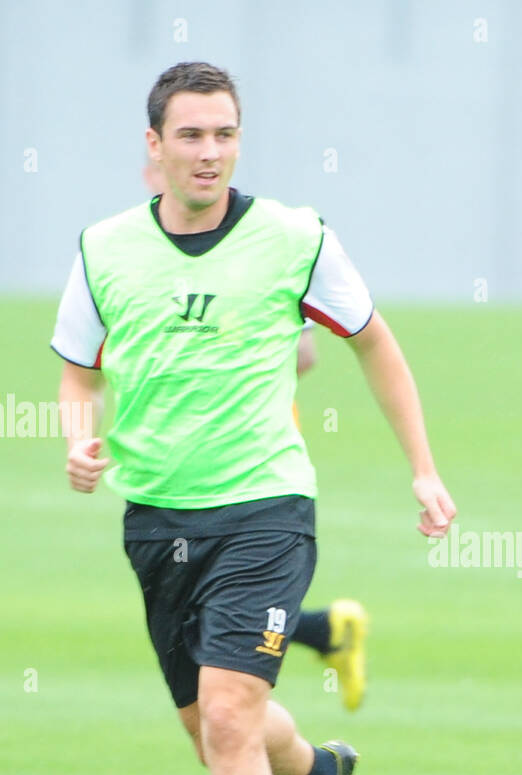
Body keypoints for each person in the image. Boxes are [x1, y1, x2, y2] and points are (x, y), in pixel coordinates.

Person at [51, 61, 456, 775]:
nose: (210, 152)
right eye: (190, 135)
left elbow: (372, 342)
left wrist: (423, 469)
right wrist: (80, 442)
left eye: (225, 134)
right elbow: (78, 369)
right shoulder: (103, 248)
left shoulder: (295, 236)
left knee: (230, 717)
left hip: (267, 509)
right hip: (156, 521)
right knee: (215, 732)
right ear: (153, 148)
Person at [142, 160, 371, 712]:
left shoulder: (264, 257)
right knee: (211, 624)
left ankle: (328, 632)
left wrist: (230, 355)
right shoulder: (142, 260)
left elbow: (309, 351)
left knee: (225, 634)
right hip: (182, 471)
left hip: (255, 461)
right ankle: (326, 631)